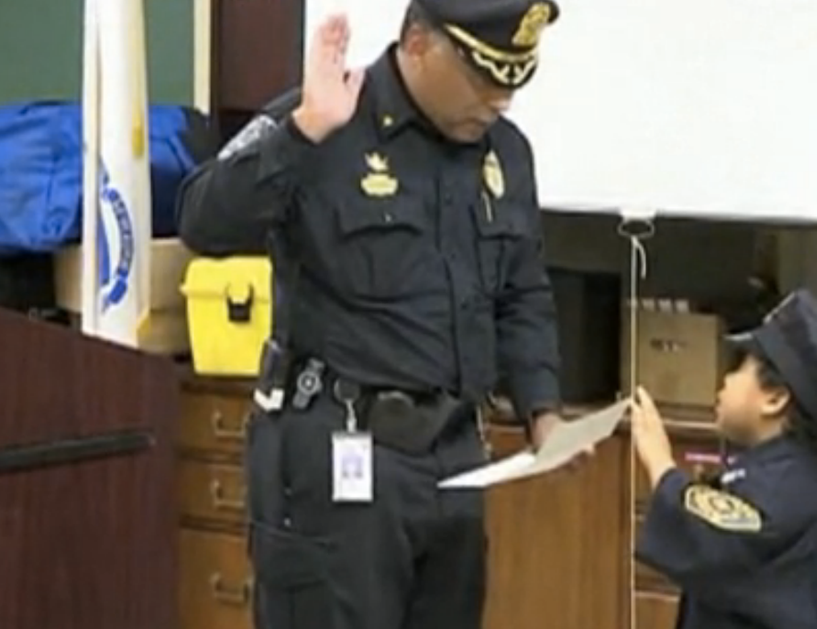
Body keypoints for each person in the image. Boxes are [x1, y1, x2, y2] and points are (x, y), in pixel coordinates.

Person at [175, 1, 578, 628]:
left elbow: (521, 290)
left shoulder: (505, 154)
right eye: (484, 76)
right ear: (418, 43)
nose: (500, 99)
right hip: (339, 459)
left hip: (454, 460)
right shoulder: (323, 116)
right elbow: (201, 220)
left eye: (513, 79)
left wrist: (544, 412)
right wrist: (302, 133)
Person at [630, 289, 817, 629]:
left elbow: (715, 540)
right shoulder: (785, 475)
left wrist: (660, 464)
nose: (725, 378)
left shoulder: (790, 489)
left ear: (774, 398)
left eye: (741, 366)